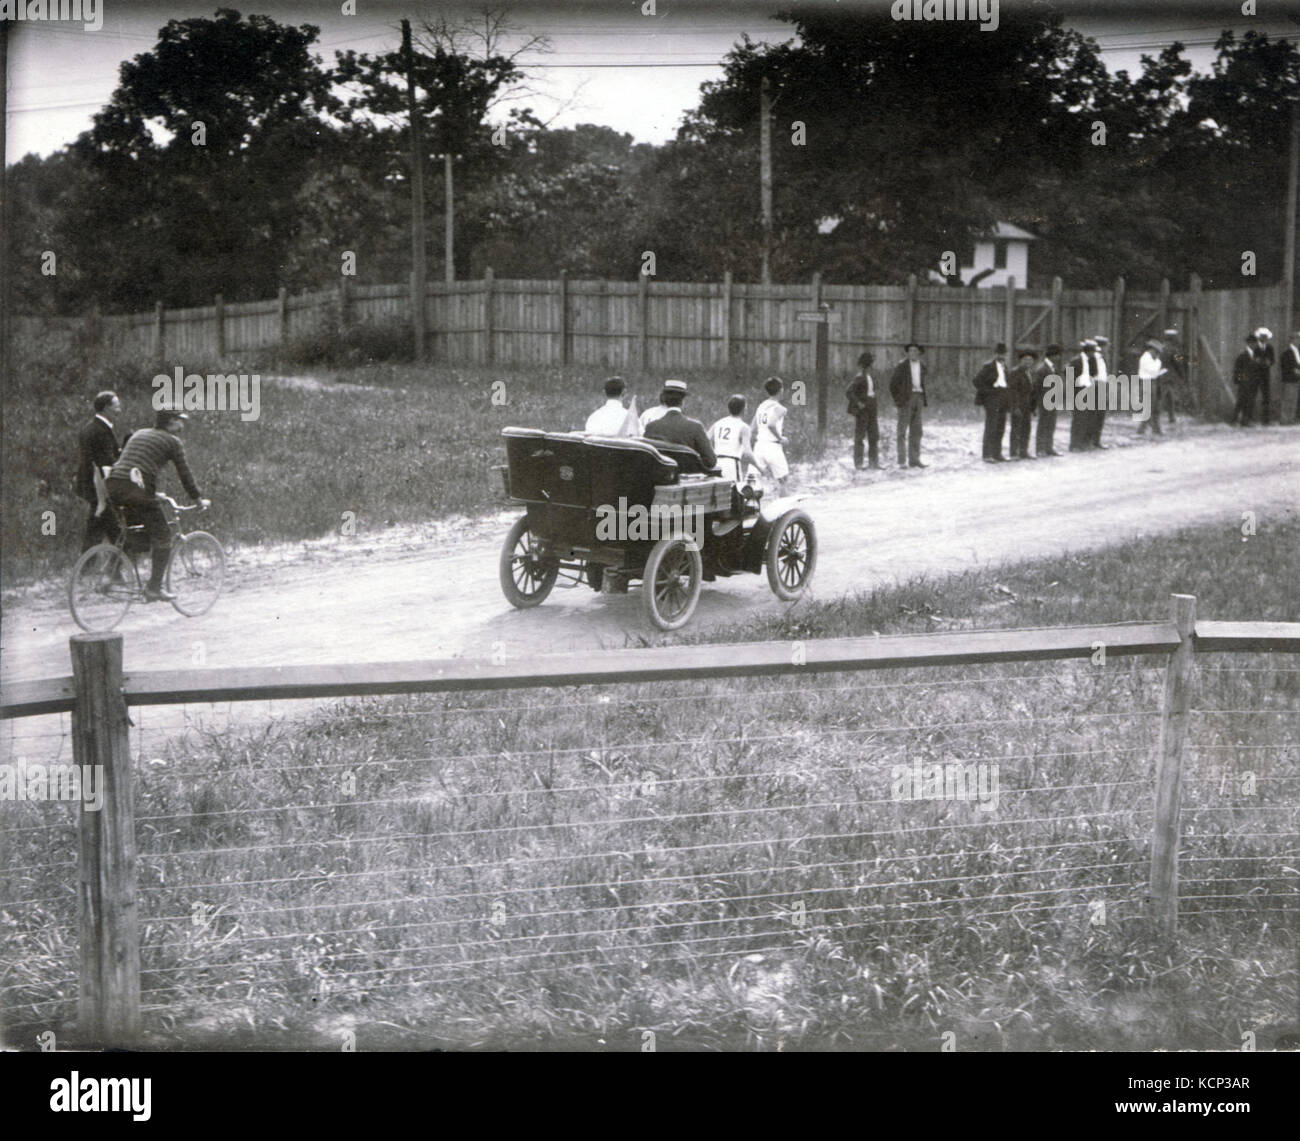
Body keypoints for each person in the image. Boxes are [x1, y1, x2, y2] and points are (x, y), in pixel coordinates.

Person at [106, 408, 210, 602]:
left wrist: (152, 493)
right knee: (163, 536)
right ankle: (154, 588)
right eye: (180, 421)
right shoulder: (173, 442)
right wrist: (198, 499)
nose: (182, 425)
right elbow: (185, 474)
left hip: (114, 485)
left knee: (135, 532)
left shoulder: (140, 433)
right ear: (170, 421)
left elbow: (132, 465)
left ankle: (111, 574)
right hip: (136, 488)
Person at [75, 391, 123, 553]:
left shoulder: (91, 427)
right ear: (106, 408)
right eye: (116, 406)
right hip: (100, 487)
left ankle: (89, 570)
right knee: (115, 532)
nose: (119, 410)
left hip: (91, 487)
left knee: (98, 530)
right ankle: (111, 570)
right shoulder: (100, 431)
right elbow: (106, 463)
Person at [642, 379, 717, 468]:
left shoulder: (651, 427)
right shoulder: (695, 427)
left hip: (658, 480)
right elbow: (711, 461)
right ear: (682, 402)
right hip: (686, 479)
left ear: (664, 400)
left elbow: (645, 459)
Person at [888, 342, 927, 468]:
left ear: (919, 353)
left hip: (918, 397)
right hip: (906, 399)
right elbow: (893, 385)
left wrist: (920, 397)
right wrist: (899, 400)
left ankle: (914, 460)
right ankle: (902, 461)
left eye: (915, 351)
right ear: (907, 353)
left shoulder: (922, 366)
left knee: (917, 430)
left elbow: (921, 382)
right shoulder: (902, 366)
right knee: (902, 431)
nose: (913, 353)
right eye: (910, 351)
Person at [751, 376, 791, 493]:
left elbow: (752, 427)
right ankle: (784, 507)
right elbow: (771, 424)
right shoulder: (780, 408)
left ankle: (752, 507)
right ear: (781, 390)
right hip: (772, 447)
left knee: (754, 480)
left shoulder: (761, 406)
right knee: (783, 480)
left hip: (759, 446)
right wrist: (781, 438)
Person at [708, 394, 761, 482]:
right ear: (744, 409)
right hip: (732, 464)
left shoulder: (718, 423)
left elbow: (706, 440)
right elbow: (747, 453)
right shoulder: (743, 427)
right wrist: (760, 468)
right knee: (735, 492)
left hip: (716, 463)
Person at [972, 342, 1010, 462]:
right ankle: (987, 455)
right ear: (995, 354)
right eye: (999, 353)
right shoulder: (988, 366)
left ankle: (997, 453)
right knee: (991, 426)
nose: (1001, 356)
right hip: (992, 399)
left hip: (1003, 398)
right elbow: (976, 381)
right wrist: (988, 393)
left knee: (1001, 426)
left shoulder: (1005, 367)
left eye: (1003, 354)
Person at [845, 350, 880, 470]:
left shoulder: (870, 376)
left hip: (872, 406)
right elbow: (849, 392)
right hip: (864, 409)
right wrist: (858, 403)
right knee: (860, 436)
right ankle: (859, 463)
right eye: (870, 364)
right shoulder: (860, 377)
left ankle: (873, 462)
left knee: (874, 435)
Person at [1007, 348, 1037, 459]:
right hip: (1018, 405)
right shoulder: (1015, 372)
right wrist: (1014, 407)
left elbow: (1032, 391)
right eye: (1026, 360)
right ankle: (1014, 452)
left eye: (1030, 360)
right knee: (1016, 429)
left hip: (1027, 405)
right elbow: (1012, 391)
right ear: (1020, 360)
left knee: (1026, 428)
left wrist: (1033, 407)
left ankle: (1023, 451)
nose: (1028, 362)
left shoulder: (1030, 373)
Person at [1034, 343, 1063, 456]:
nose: (1059, 358)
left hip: (1053, 400)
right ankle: (1040, 448)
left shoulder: (1053, 368)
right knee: (1043, 424)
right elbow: (1037, 387)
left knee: (1051, 424)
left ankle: (1048, 447)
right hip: (1044, 401)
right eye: (1057, 355)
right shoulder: (1042, 369)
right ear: (1052, 356)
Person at [1232, 334, 1265, 426]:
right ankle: (1234, 420)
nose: (1255, 345)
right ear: (1249, 344)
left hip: (1253, 383)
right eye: (1253, 343)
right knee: (1241, 402)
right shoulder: (1242, 356)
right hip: (1245, 383)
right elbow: (1237, 370)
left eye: (1255, 343)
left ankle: (1246, 420)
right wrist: (1241, 381)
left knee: (1250, 402)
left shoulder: (1256, 356)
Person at [1137, 339, 1167, 436]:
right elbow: (1153, 371)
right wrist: (1158, 362)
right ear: (1152, 350)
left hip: (1152, 382)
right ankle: (1143, 429)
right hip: (1146, 383)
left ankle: (1154, 429)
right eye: (1156, 352)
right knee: (1149, 407)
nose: (1157, 354)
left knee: (1154, 407)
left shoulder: (1151, 358)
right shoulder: (1146, 358)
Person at [1089, 335, 1111, 448]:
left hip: (1102, 386)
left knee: (1100, 415)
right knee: (1094, 414)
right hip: (1096, 387)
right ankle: (1092, 440)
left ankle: (1096, 440)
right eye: (1105, 346)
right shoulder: (1093, 358)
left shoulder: (1102, 358)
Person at [1160, 328, 1184, 424]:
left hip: (1160, 375)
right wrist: (1182, 375)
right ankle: (1169, 417)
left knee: (1167, 397)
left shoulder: (1161, 347)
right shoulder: (1174, 349)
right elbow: (1179, 363)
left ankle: (1171, 417)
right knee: (1166, 397)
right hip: (1169, 376)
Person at [1253, 328, 1275, 424]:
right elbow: (1254, 360)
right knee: (1253, 395)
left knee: (1266, 397)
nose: (1264, 339)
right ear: (1259, 337)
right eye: (1262, 337)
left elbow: (1273, 360)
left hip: (1266, 375)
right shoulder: (1255, 348)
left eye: (1265, 337)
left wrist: (1269, 363)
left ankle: (1266, 420)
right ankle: (1250, 418)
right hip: (1256, 374)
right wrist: (1260, 362)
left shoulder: (1270, 348)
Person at [1281, 330, 1300, 423]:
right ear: (1292, 340)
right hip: (1289, 379)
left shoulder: (1298, 352)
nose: (1299, 341)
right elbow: (1285, 365)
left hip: (1297, 379)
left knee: (1294, 399)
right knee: (1288, 398)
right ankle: (1284, 419)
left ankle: (1291, 418)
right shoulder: (1287, 352)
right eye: (1297, 339)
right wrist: (1294, 371)